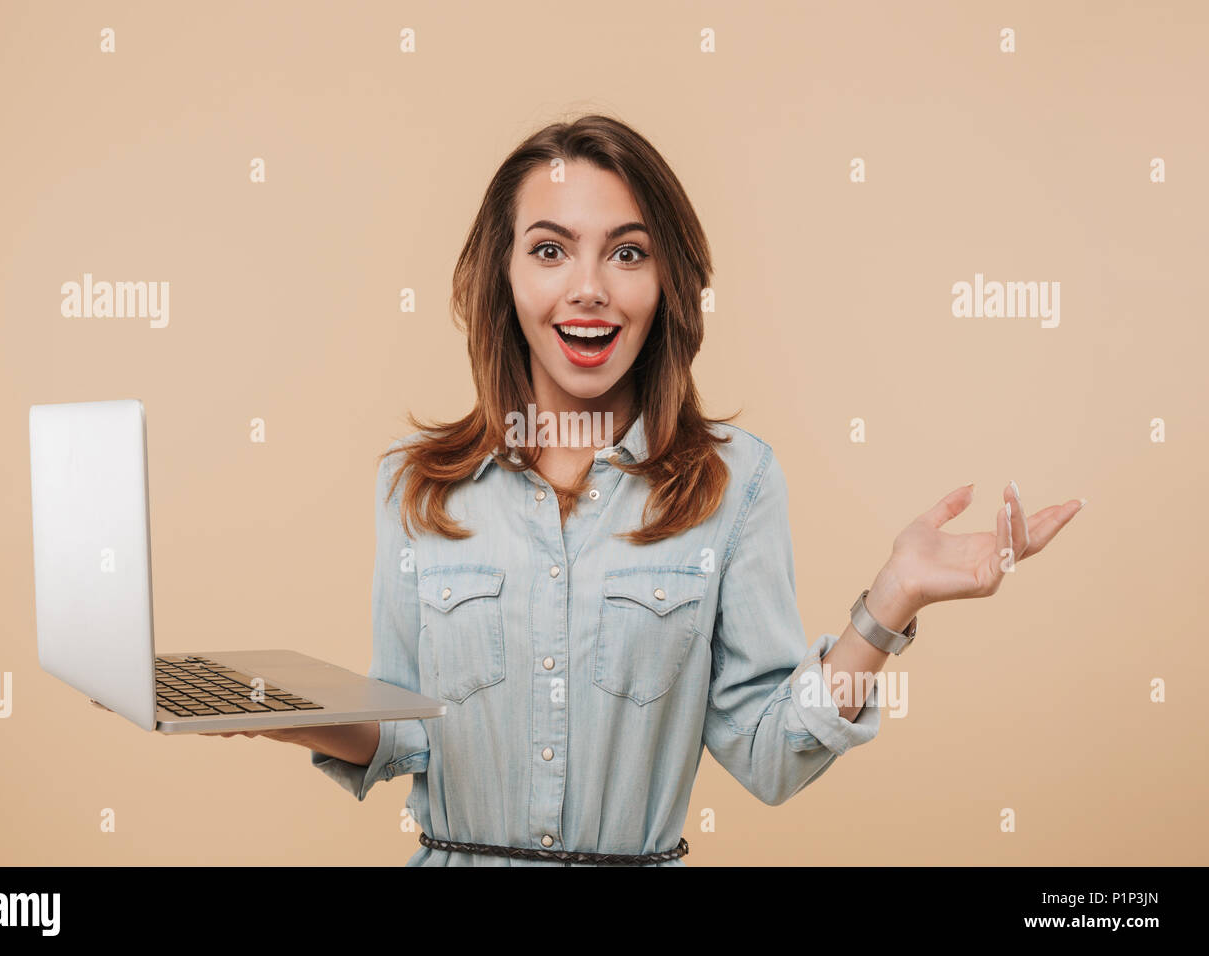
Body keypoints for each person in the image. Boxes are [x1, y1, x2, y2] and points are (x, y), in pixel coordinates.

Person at [204, 114, 1083, 865]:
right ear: (503, 278)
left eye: (627, 253)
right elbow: (405, 729)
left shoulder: (735, 484)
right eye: (550, 250)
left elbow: (768, 754)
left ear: (667, 285)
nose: (588, 289)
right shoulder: (417, 484)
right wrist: (290, 713)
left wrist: (888, 605)